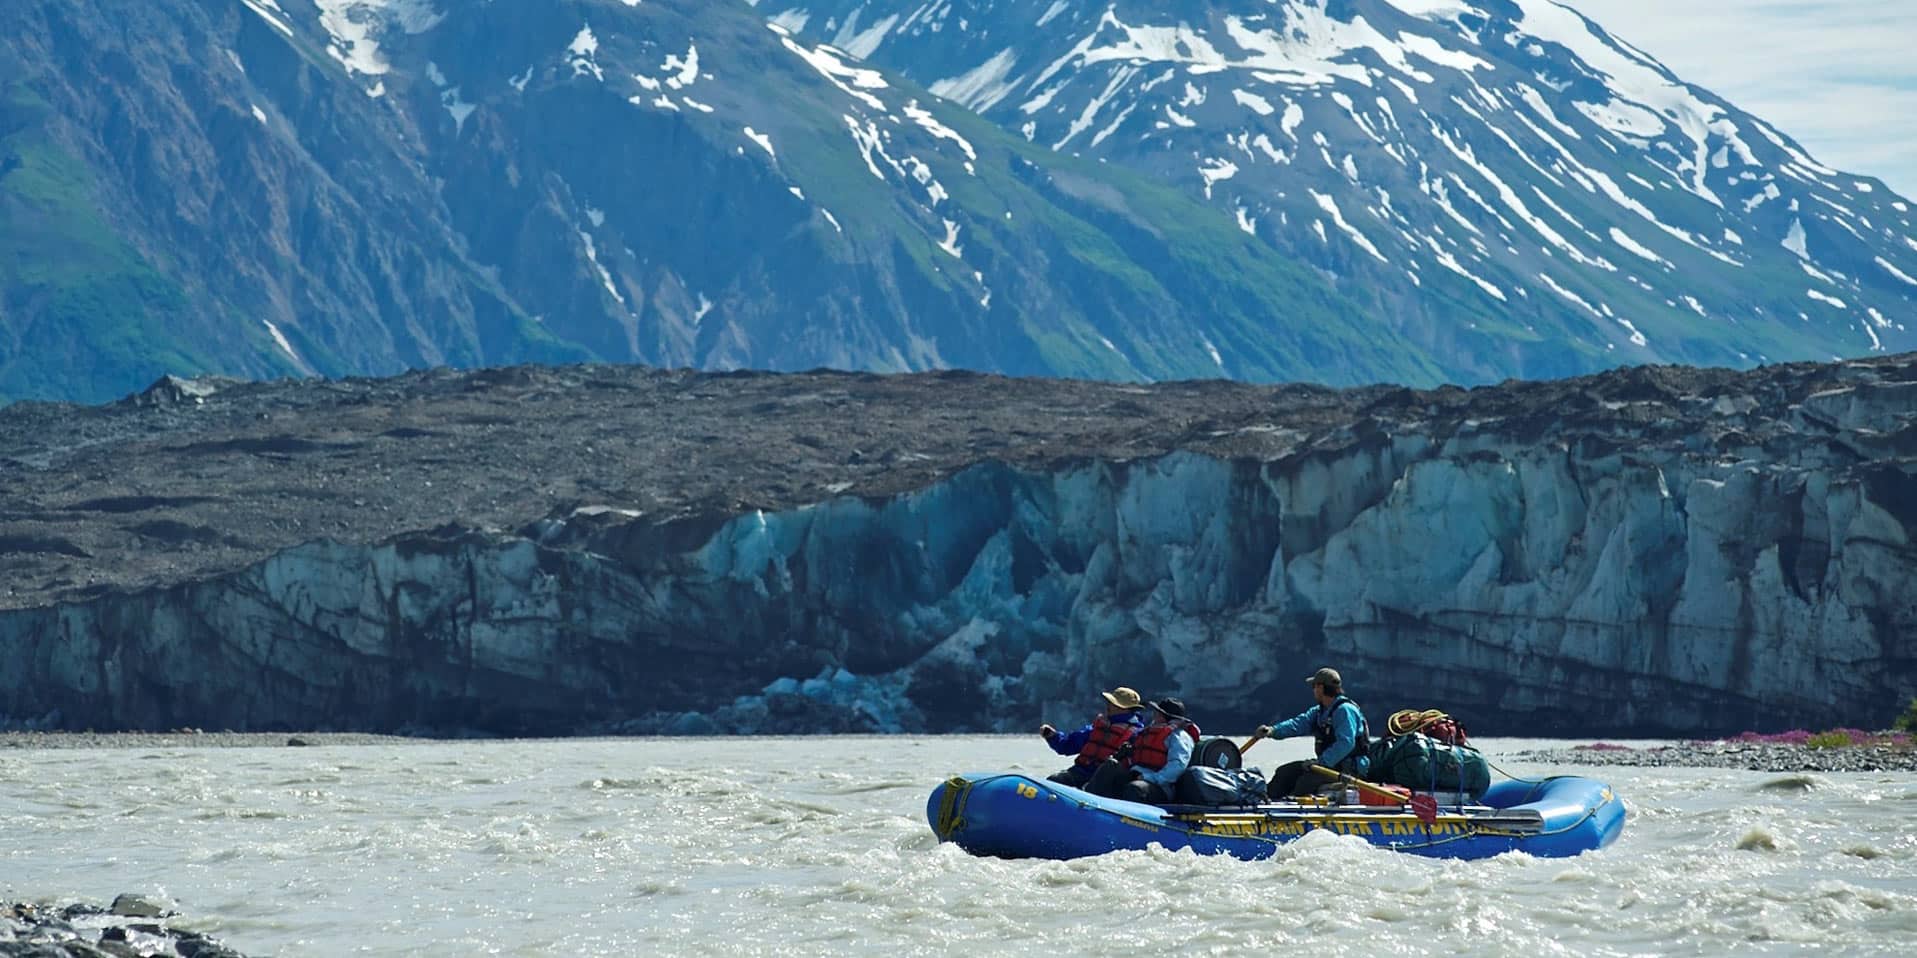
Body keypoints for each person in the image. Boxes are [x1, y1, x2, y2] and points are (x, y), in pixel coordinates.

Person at [1252, 667, 1371, 798]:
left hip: (1348, 770)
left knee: (1306, 782)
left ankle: (1292, 810)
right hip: (1327, 766)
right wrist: (1272, 731)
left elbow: (1346, 743)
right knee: (1285, 772)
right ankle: (1266, 802)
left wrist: (1322, 762)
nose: (1313, 690)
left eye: (1314, 686)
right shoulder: (1319, 712)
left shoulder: (1345, 710)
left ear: (1320, 687)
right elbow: (1298, 724)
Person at [1086, 697, 1197, 804]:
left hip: (1160, 787)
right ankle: (1088, 802)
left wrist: (1148, 778)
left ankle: (1126, 820)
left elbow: (1177, 765)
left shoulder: (1179, 736)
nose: (1155, 714)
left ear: (1167, 717)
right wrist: (1124, 756)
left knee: (1135, 788)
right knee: (1111, 765)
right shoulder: (1148, 731)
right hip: (1136, 775)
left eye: (1158, 712)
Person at [1039, 686, 1146, 788]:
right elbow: (1068, 746)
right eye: (1109, 702)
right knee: (1055, 780)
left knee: (1094, 787)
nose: (1108, 705)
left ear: (1124, 709)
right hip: (1080, 773)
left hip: (1107, 782)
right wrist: (1052, 736)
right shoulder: (1097, 727)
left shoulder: (1136, 734)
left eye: (1113, 703)